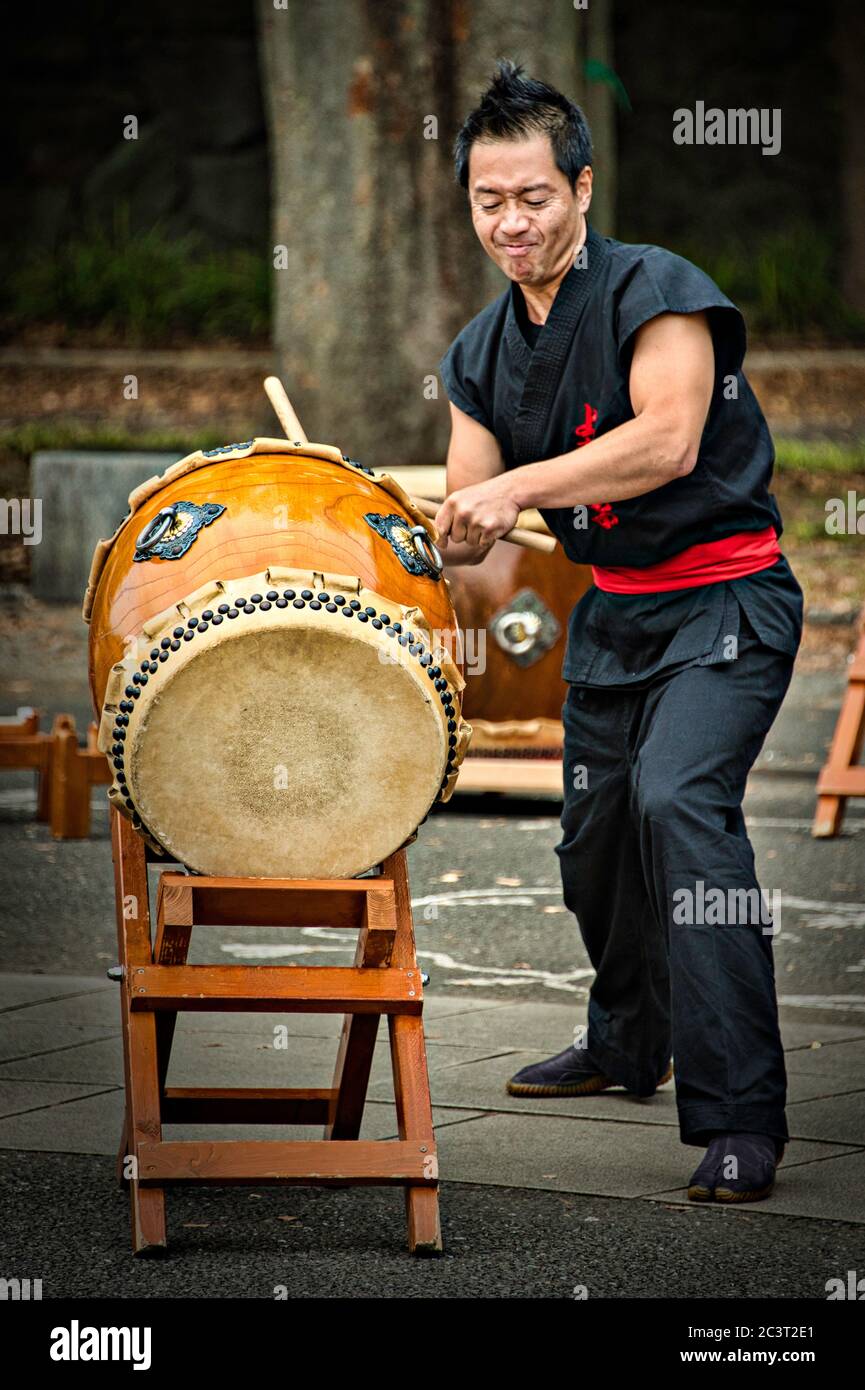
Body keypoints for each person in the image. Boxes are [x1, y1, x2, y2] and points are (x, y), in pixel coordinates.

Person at [433, 60, 803, 1203]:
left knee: (679, 807)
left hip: (725, 600)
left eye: (532, 196)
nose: (511, 221)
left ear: (581, 189)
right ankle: (626, 1040)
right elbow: (474, 511)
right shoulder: (479, 355)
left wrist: (514, 489)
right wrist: (443, 531)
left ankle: (741, 1115)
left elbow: (667, 441)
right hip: (615, 618)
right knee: (594, 843)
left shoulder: (658, 289)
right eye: (489, 200)